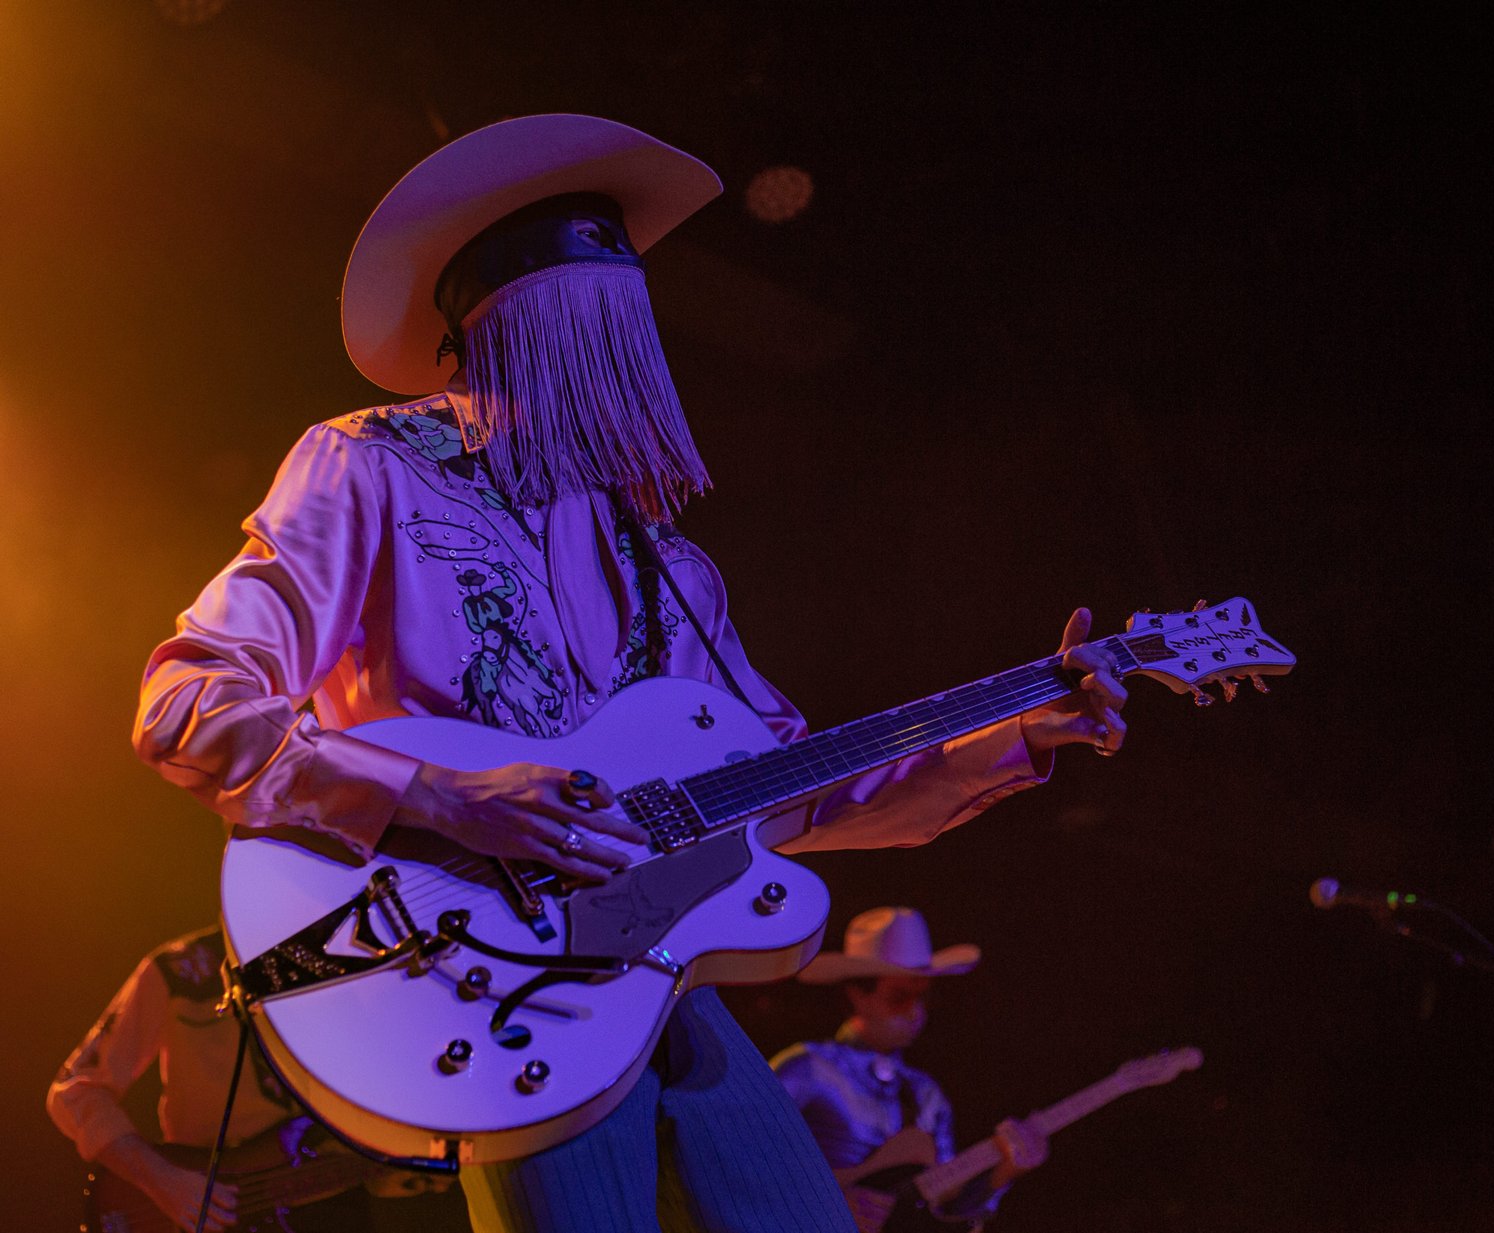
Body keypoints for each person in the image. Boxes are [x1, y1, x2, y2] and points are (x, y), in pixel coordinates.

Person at [132, 114, 1127, 1233]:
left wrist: (1020, 730)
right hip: (469, 974)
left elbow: (790, 795)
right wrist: (442, 795)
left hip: (652, 969)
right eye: (598, 314)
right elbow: (188, 704)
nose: (631, 345)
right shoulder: (368, 467)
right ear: (520, 325)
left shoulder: (667, 566)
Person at [46, 927, 454, 1233]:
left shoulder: (355, 960)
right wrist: (161, 1180)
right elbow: (75, 1092)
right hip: (203, 1207)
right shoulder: (179, 970)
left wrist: (392, 1166)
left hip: (330, 1211)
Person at [771, 908, 1049, 1231]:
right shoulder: (808, 1067)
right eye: (899, 997)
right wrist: (821, 1201)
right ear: (858, 995)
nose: (914, 1011)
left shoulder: (927, 1094)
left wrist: (1001, 1175)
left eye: (923, 998)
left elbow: (941, 1205)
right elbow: (735, 1153)